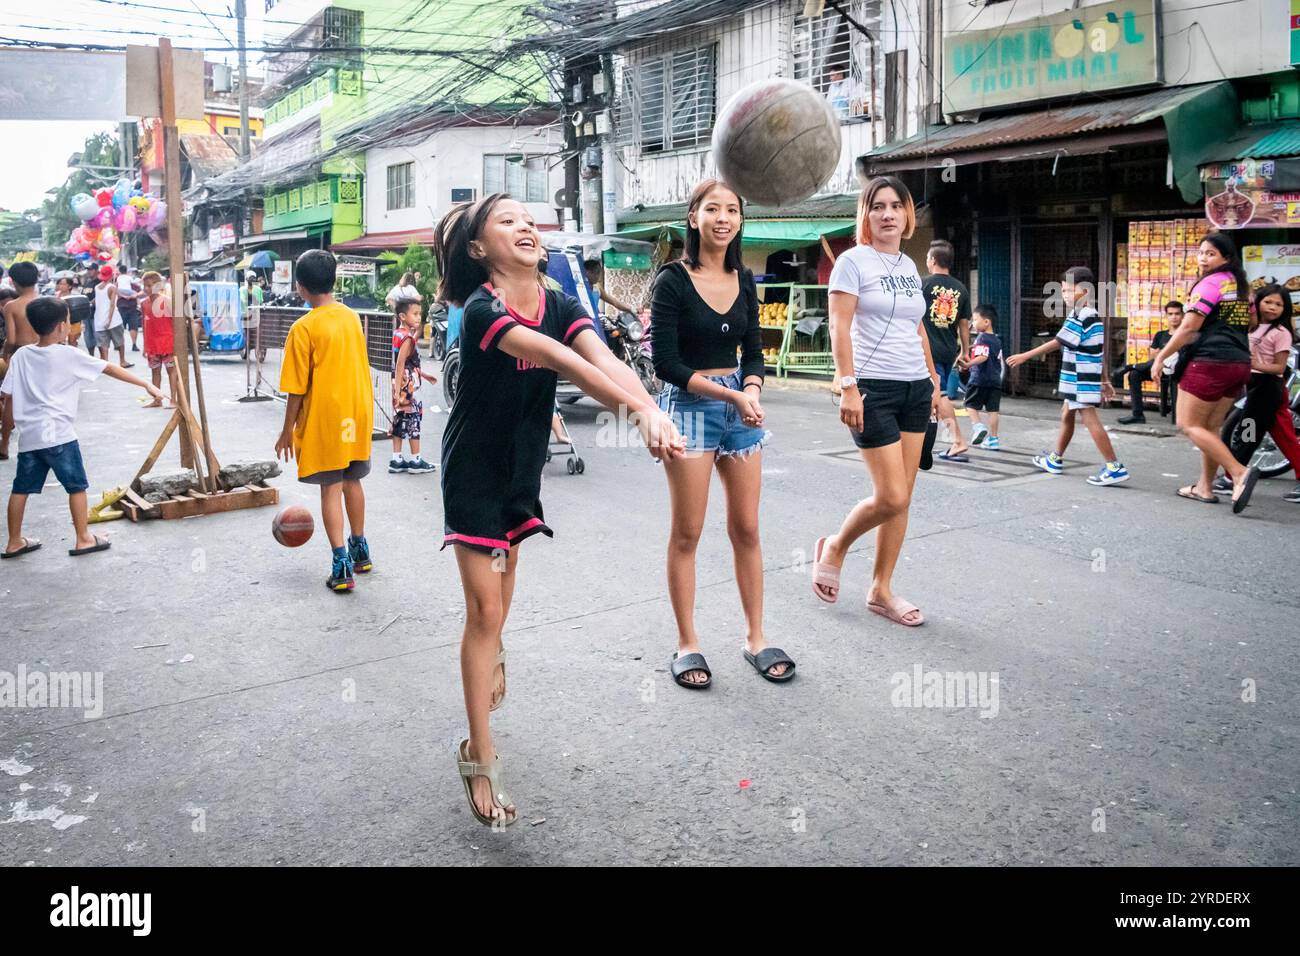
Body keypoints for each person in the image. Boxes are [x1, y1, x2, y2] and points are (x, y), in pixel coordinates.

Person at [433, 192, 683, 827]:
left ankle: (490, 646)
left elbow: (599, 354)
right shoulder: (482, 311)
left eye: (528, 218)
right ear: (478, 248)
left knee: (499, 603)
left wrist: (649, 405)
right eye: (505, 220)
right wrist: (644, 414)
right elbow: (562, 359)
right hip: (475, 470)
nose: (525, 226)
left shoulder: (562, 301)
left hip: (523, 465)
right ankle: (479, 751)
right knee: (484, 608)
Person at [650, 179, 794, 689]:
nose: (723, 218)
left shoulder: (745, 279)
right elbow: (663, 362)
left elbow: (753, 349)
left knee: (747, 529)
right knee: (688, 532)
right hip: (690, 406)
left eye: (732, 210)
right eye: (713, 208)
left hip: (738, 407)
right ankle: (688, 642)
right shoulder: (672, 280)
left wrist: (751, 387)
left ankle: (756, 637)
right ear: (694, 217)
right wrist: (731, 395)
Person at [811, 176, 939, 627]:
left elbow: (917, 329)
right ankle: (836, 547)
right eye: (877, 206)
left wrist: (934, 383)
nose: (888, 214)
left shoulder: (908, 267)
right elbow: (838, 326)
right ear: (865, 216)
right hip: (872, 389)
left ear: (908, 215)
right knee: (891, 495)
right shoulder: (852, 262)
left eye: (896, 206)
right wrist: (848, 385)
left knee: (903, 500)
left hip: (915, 389)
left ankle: (881, 589)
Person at [1, 296, 162, 559]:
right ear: (61, 327)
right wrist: (145, 384)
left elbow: (8, 397)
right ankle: (83, 538)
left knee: (20, 489)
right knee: (76, 487)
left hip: (30, 438)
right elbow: (109, 368)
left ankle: (14, 541)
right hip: (60, 438)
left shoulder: (20, 356)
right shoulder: (68, 355)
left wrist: (5, 437)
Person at [274, 251, 375, 592]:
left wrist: (287, 430)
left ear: (300, 287)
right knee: (353, 481)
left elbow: (295, 388)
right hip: (357, 413)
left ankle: (341, 564)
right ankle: (360, 550)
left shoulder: (304, 328)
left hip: (327, 418)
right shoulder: (351, 317)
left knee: (330, 488)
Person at [1150, 234, 1259, 512]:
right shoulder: (1242, 286)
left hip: (1210, 363)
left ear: (1226, 258)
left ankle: (1239, 473)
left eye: (1210, 254)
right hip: (1239, 363)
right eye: (1200, 253)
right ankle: (1204, 487)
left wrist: (1161, 356)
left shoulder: (1211, 284)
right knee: (1210, 427)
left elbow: (1188, 328)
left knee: (1188, 425)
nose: (1202, 258)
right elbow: (1252, 323)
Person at [1006, 267, 1129, 486]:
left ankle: (1114, 466)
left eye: (1067, 290)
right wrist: (1104, 379)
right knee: (1067, 414)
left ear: (1083, 290)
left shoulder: (1083, 314)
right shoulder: (1087, 313)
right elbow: (1097, 350)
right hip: (1080, 376)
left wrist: (1024, 356)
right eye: (1062, 290)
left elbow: (1058, 341)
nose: (1064, 294)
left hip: (1080, 377)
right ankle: (1055, 458)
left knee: (1088, 417)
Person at [1210, 283, 1300, 502]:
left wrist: (1255, 363)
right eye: (1268, 301)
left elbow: (1279, 368)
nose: (1272, 307)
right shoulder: (1251, 326)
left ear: (1285, 309)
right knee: (1284, 436)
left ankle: (1232, 477)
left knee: (1247, 433)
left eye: (1278, 304)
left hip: (1267, 388)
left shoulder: (1281, 333)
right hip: (1259, 388)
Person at [920, 239, 972, 461]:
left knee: (938, 395)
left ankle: (957, 440)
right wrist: (965, 351)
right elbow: (963, 324)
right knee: (930, 394)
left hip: (926, 349)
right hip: (949, 348)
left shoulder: (922, 284)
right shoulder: (960, 288)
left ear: (932, 260)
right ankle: (923, 438)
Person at [1112, 301, 1183, 423]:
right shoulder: (1161, 335)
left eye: (1177, 314)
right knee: (1134, 375)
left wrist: (1162, 354)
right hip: (1159, 369)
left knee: (1168, 358)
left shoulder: (1184, 334)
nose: (1174, 317)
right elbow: (1152, 357)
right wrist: (1159, 355)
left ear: (1183, 316)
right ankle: (1137, 414)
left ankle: (1130, 366)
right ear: (1166, 316)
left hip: (1177, 369)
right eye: (1170, 314)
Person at [389, 299, 436, 474]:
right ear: (402, 316)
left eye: (419, 314)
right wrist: (399, 391)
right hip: (407, 388)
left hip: (399, 384)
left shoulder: (398, 334)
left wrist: (423, 375)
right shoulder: (407, 338)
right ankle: (416, 460)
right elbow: (401, 364)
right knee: (413, 420)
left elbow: (404, 362)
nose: (419, 317)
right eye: (415, 314)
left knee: (399, 420)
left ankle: (396, 458)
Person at [2, 261, 42, 461]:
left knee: (12, 400)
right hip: (45, 352)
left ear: (14, 281)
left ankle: (4, 444)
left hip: (21, 354)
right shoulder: (47, 302)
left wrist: (5, 354)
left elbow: (12, 339)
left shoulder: (12, 306)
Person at [963, 304, 1003, 450]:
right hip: (995, 380)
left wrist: (968, 364)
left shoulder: (981, 337)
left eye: (975, 320)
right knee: (993, 410)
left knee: (969, 405)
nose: (973, 323)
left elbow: (983, 356)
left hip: (979, 379)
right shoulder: (996, 339)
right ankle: (993, 439)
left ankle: (978, 426)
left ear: (986, 322)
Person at [139, 271, 178, 408]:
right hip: (152, 345)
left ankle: (173, 399)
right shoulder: (144, 304)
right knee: (155, 372)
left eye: (149, 286)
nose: (146, 288)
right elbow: (144, 324)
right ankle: (157, 399)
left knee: (171, 371)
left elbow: (177, 324)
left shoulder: (167, 302)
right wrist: (145, 345)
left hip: (168, 343)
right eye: (145, 286)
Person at [92, 264, 129, 368]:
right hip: (113, 320)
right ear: (111, 275)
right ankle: (122, 361)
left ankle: (106, 363)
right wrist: (109, 320)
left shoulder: (96, 287)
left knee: (103, 344)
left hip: (99, 319)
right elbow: (112, 305)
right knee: (120, 340)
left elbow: (97, 301)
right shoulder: (112, 287)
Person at [55, 277, 91, 349]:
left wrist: (82, 324)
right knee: (60, 343)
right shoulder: (56, 296)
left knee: (72, 343)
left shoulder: (75, 296)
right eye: (60, 284)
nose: (61, 286)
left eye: (63, 284)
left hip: (74, 323)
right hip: (61, 323)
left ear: (70, 286)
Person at [116, 264, 141, 353]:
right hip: (132, 307)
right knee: (133, 326)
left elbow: (115, 291)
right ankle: (134, 345)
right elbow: (139, 293)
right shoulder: (132, 282)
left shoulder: (117, 280)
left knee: (120, 327)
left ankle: (119, 344)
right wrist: (132, 297)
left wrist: (122, 296)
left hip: (122, 306)